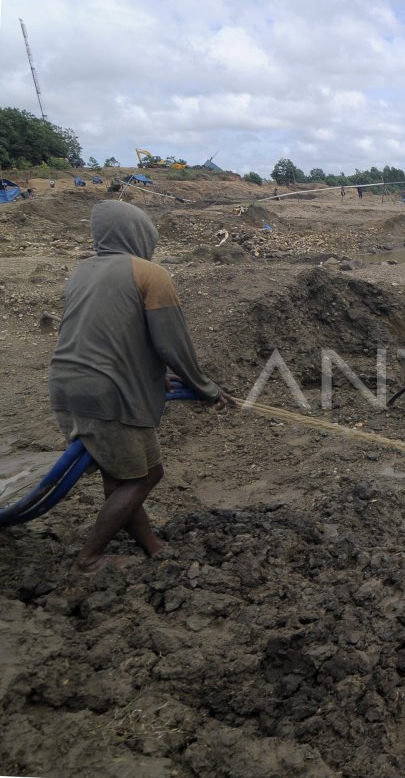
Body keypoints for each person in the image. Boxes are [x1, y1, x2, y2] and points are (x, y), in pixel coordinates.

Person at [48, 201, 234, 573]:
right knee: (146, 475)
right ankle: (88, 560)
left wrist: (149, 374)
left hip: (66, 384)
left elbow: (104, 335)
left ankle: (152, 546)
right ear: (139, 232)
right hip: (111, 393)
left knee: (119, 475)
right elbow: (172, 344)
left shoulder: (82, 271)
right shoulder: (150, 274)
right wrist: (206, 388)